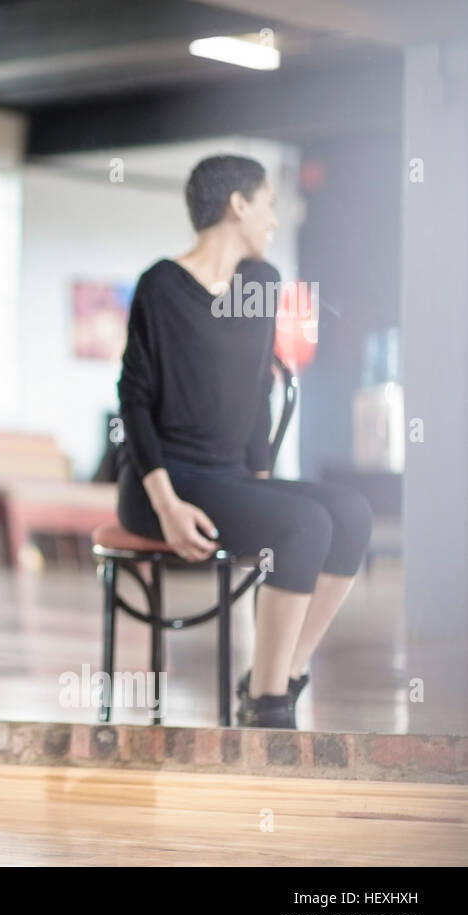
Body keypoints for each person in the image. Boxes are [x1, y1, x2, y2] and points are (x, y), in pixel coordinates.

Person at [115, 154, 373, 730]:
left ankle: (275, 679)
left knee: (349, 513)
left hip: (228, 475)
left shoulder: (262, 282)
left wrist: (260, 484)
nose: (274, 219)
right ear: (238, 205)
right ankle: (269, 706)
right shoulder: (160, 285)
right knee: (303, 524)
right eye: (269, 204)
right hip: (162, 482)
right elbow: (133, 400)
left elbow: (259, 388)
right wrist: (166, 504)